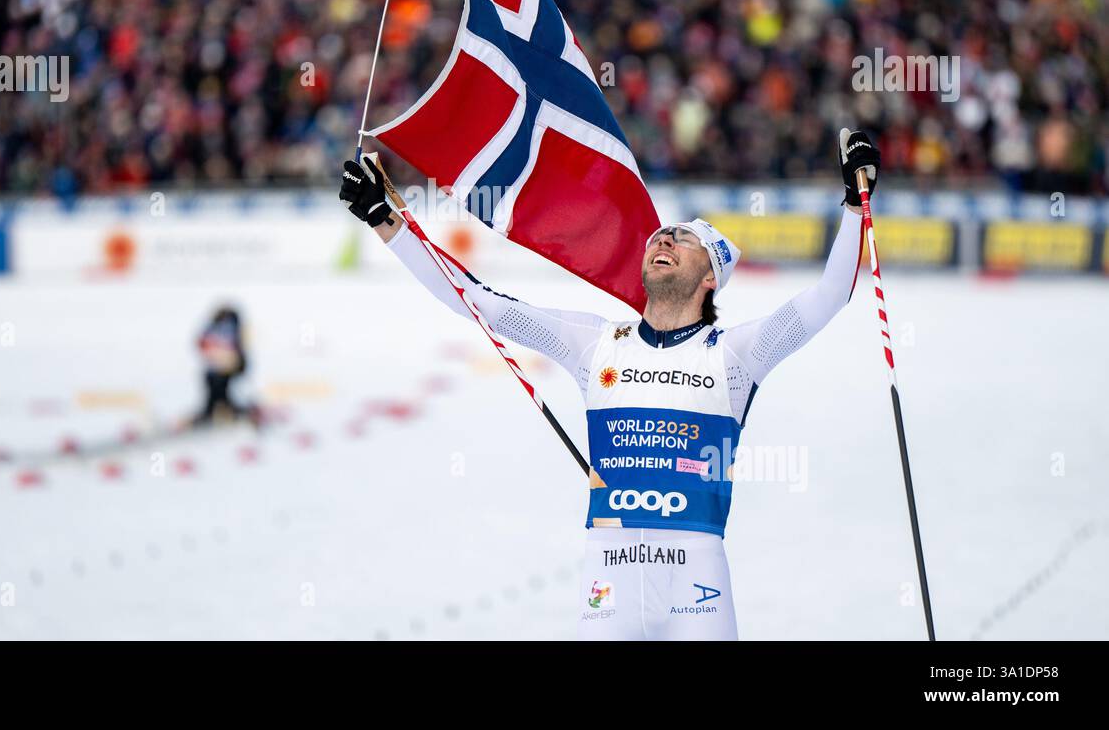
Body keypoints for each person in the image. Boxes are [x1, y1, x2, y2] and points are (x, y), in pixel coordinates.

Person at [339, 130, 882, 640]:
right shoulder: (595, 343)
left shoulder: (736, 355)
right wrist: (387, 221)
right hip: (609, 579)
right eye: (661, 236)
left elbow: (829, 296)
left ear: (710, 276)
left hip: (697, 580)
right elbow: (477, 302)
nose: (664, 239)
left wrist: (855, 207)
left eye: (684, 240)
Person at [193, 306, 255, 427]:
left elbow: (236, 348)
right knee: (216, 393)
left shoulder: (230, 328)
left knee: (222, 392)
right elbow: (202, 342)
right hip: (217, 370)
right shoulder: (216, 328)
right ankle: (217, 413)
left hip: (227, 369)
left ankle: (227, 414)